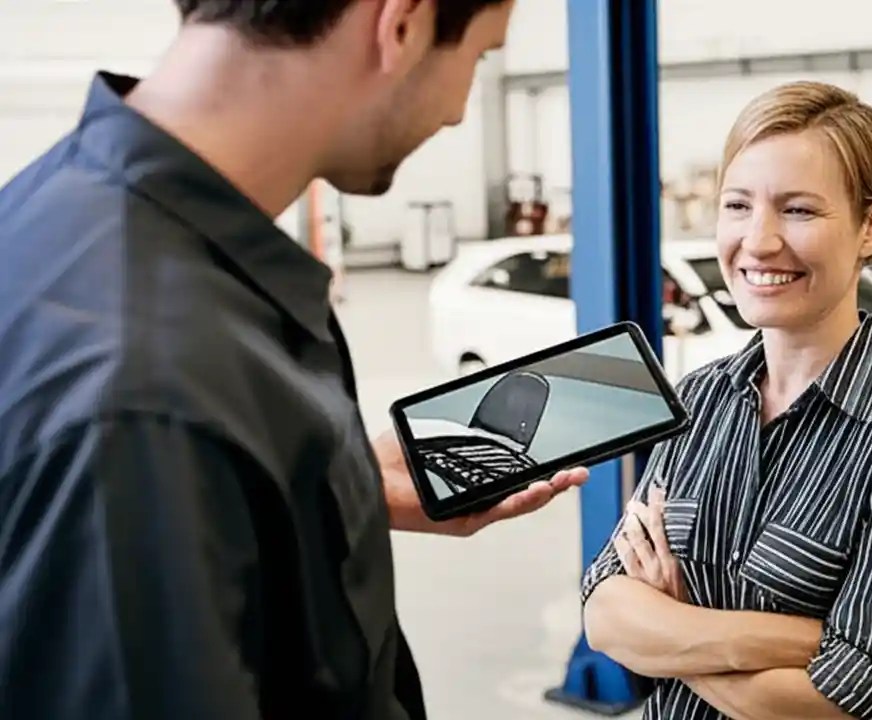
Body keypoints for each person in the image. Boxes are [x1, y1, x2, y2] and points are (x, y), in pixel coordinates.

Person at [0, 2, 589, 719]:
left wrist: (329, 492)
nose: (462, 111)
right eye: (478, 58)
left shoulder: (53, 220)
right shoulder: (152, 395)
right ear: (400, 24)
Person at [580, 81, 872, 720]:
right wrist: (783, 641)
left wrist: (671, 627)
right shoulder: (697, 402)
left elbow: (849, 699)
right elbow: (605, 614)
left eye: (798, 210)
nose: (760, 241)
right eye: (738, 205)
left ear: (871, 226)